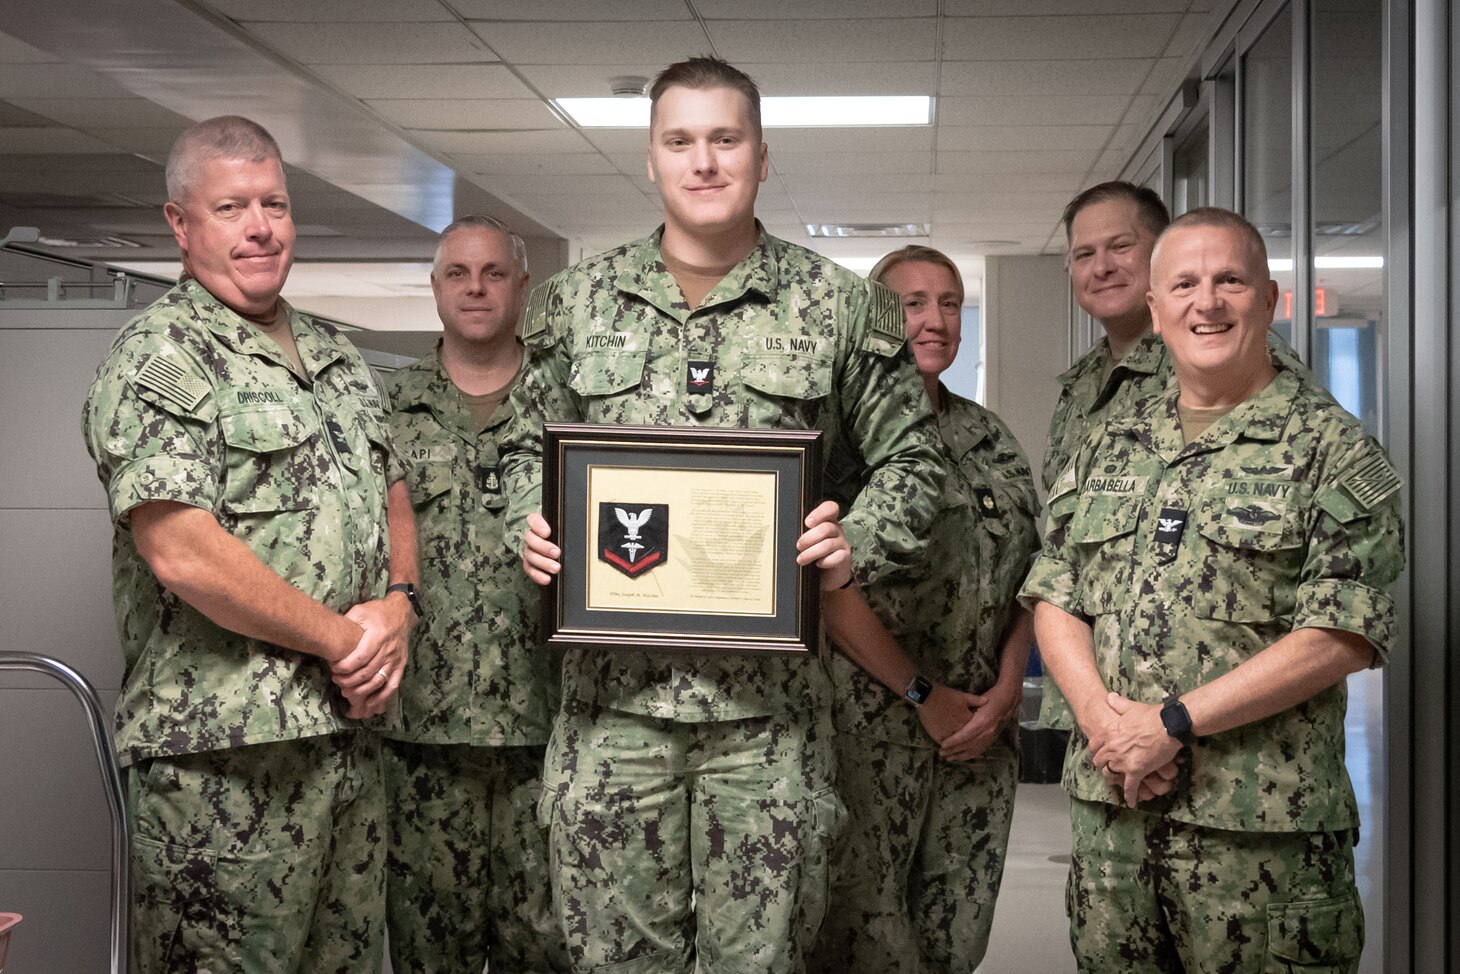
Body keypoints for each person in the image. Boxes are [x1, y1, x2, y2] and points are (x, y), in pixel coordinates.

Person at [499, 57, 946, 973]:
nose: (704, 161)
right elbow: (518, 450)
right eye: (681, 141)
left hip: (770, 721)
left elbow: (916, 462)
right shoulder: (573, 306)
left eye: (725, 139)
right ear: (653, 161)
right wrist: (527, 521)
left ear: (762, 157)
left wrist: (854, 538)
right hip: (611, 711)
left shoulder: (840, 306)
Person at [1019, 208, 1404, 973]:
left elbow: (1343, 632)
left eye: (1230, 280)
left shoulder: (1332, 448)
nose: (1209, 302)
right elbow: (1056, 593)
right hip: (1114, 829)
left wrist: (1171, 724)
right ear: (1156, 312)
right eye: (1185, 285)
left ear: (1270, 299)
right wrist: (1104, 721)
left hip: (1260, 838)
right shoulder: (1108, 441)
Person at [81, 115, 418, 971]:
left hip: (348, 748)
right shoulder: (163, 358)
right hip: (226, 767)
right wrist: (348, 641)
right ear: (180, 224)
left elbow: (395, 497)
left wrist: (399, 606)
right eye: (231, 207)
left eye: (275, 203)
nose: (261, 227)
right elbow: (182, 550)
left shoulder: (339, 357)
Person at [808, 246, 1038, 972]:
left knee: (953, 942)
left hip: (979, 734)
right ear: (876, 324)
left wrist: (1006, 692)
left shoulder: (990, 438)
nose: (934, 321)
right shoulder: (837, 446)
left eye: (948, 302)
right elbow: (819, 597)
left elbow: (1033, 573)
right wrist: (921, 693)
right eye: (912, 304)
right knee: (865, 940)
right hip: (870, 733)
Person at [1038, 181, 1312, 734]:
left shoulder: (1233, 351)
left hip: (1224, 724)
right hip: (1105, 706)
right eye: (1084, 254)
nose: (1102, 266)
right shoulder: (1084, 385)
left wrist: (1167, 729)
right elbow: (1066, 556)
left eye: (1121, 246)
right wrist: (1104, 718)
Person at [381, 216, 569, 971]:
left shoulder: (573, 404)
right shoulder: (386, 411)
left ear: (523, 286)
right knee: (431, 954)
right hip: (421, 738)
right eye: (457, 273)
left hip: (546, 731)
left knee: (548, 952)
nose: (476, 288)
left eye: (494, 273)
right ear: (434, 288)